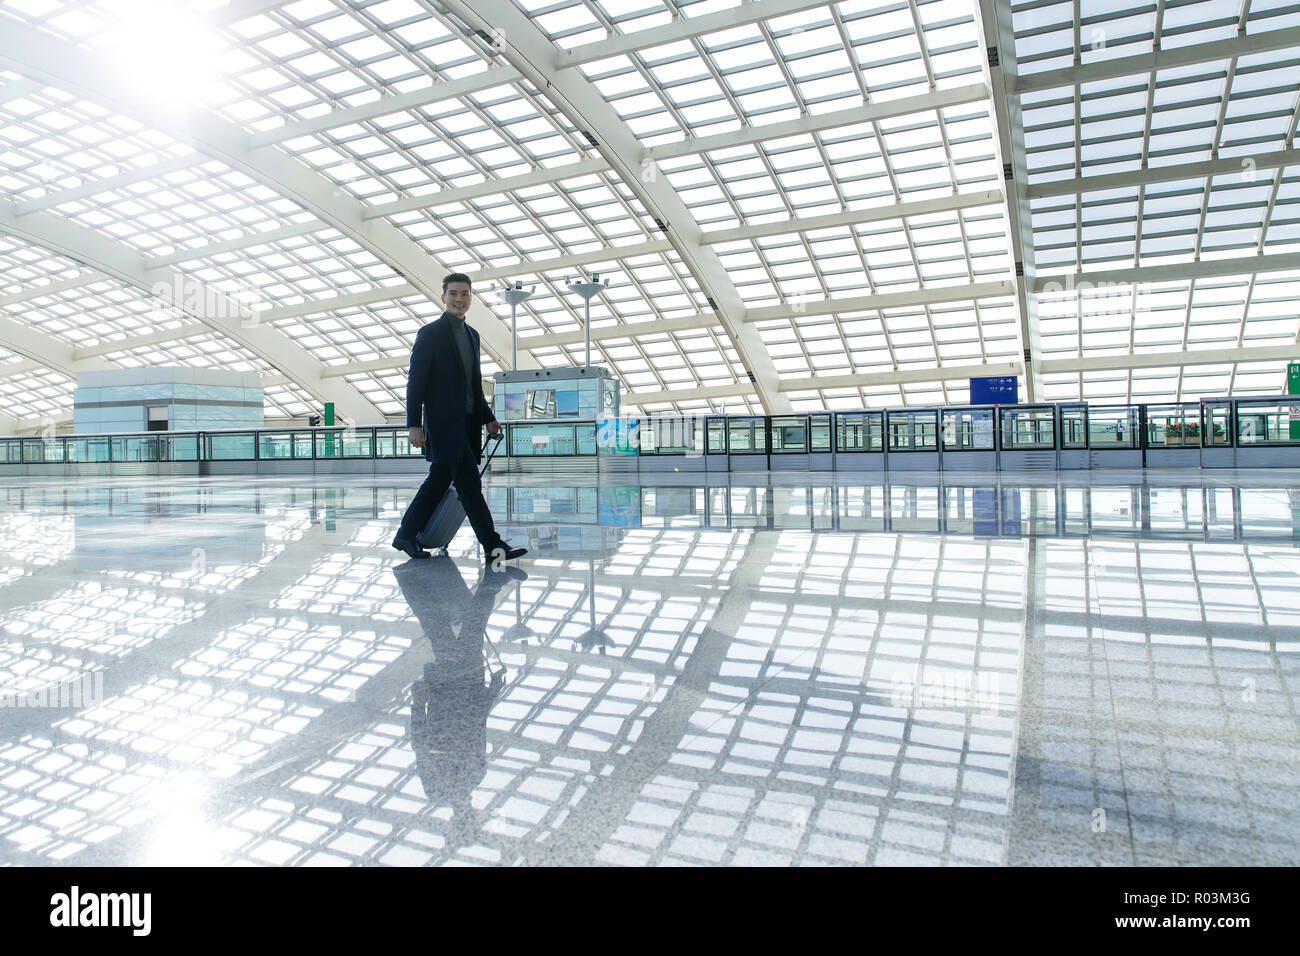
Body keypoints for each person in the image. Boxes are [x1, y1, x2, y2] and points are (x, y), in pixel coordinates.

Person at [392, 272, 527, 562]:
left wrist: (488, 417)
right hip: (442, 426)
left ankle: (405, 534)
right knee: (469, 485)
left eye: (464, 294)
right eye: (453, 293)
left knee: (438, 481)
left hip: (466, 425)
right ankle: (493, 546)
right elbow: (416, 381)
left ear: (470, 298)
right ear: (443, 297)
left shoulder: (472, 335)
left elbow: (473, 384)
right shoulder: (430, 333)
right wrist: (414, 424)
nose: (459, 299)